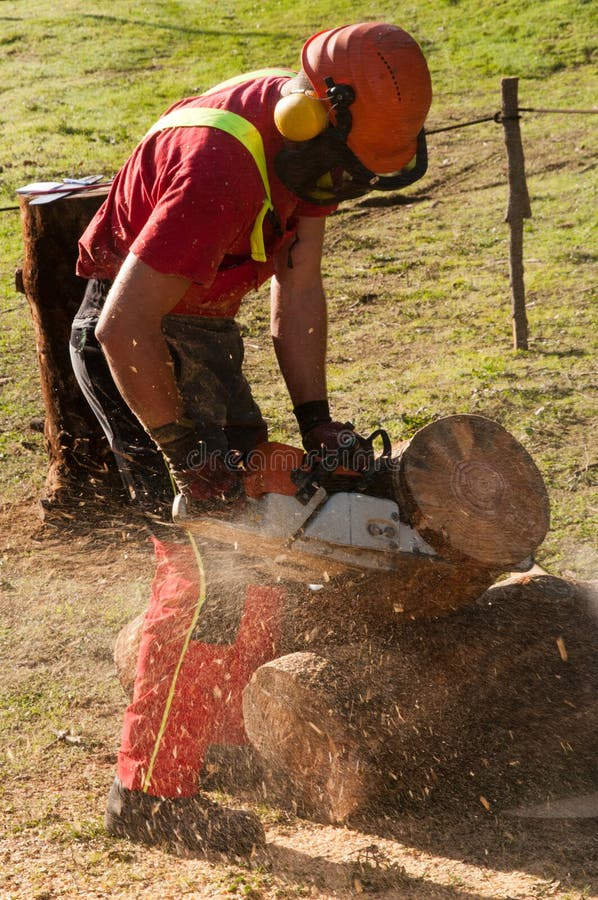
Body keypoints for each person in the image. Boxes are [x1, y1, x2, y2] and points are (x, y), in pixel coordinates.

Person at [70, 21, 432, 854]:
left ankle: (222, 748)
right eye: (342, 170)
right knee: (205, 566)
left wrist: (318, 423)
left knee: (260, 540)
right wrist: (180, 450)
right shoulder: (221, 170)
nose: (340, 187)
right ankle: (150, 793)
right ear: (319, 112)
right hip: (135, 344)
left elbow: (296, 290)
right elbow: (126, 327)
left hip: (202, 334)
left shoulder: (316, 140)